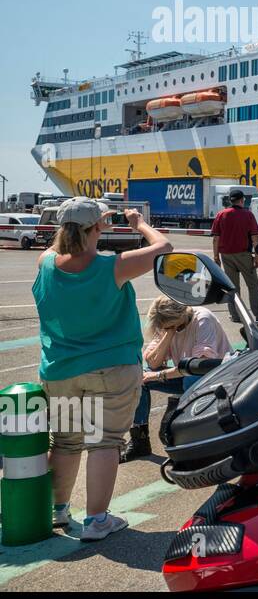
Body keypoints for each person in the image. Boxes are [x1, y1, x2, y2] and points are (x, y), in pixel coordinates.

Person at [35, 199, 172, 540]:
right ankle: (97, 521)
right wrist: (138, 223)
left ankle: (59, 509)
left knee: (65, 441)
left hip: (61, 371)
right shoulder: (112, 267)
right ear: (97, 227)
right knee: (103, 442)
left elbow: (64, 245)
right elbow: (164, 247)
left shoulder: (46, 262)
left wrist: (94, 224)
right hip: (110, 370)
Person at [122, 296, 232, 461]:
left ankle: (191, 435)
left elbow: (197, 366)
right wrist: (169, 334)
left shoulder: (202, 319)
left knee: (189, 380)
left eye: (167, 326)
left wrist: (159, 375)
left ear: (178, 317)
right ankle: (140, 441)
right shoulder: (168, 325)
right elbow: (153, 363)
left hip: (215, 376)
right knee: (140, 379)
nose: (162, 329)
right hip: (186, 373)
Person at [210, 188, 258, 321]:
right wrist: (257, 257)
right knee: (253, 285)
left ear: (230, 200)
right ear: (242, 200)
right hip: (243, 255)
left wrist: (216, 257)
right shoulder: (248, 215)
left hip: (226, 256)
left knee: (232, 287)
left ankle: (235, 315)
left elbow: (215, 238)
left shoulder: (221, 215)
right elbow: (255, 238)